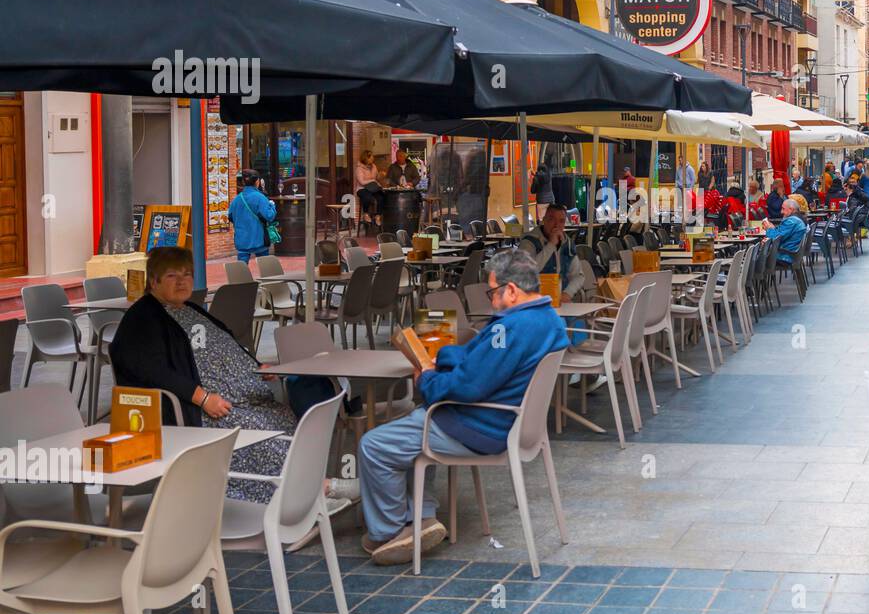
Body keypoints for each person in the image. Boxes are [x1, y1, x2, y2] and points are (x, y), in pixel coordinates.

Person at [357, 248, 569, 566]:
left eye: (494, 292)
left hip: (478, 425)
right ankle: (421, 517)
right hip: (512, 424)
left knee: (374, 445)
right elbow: (480, 361)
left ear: (511, 290)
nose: (492, 301)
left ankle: (388, 531)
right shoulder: (549, 319)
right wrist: (444, 359)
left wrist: (426, 380)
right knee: (412, 431)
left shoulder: (509, 329)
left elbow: (469, 386)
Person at [109, 246, 350, 506]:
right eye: (171, 276)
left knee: (282, 416)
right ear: (153, 281)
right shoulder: (143, 318)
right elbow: (152, 370)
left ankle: (305, 491)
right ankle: (309, 494)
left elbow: (226, 343)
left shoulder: (190, 308)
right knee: (256, 430)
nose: (182, 281)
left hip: (243, 395)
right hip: (199, 409)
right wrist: (202, 398)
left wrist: (258, 366)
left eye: (187, 274)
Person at [523, 203, 592, 302]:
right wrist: (551, 245)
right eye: (551, 219)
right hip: (535, 302)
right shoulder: (529, 243)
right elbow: (527, 273)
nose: (556, 225)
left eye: (561, 221)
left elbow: (578, 276)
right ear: (544, 220)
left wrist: (568, 293)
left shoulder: (567, 243)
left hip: (562, 302)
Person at [230, 168, 277, 264]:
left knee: (241, 270)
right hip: (259, 238)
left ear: (243, 182)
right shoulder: (260, 197)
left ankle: (242, 279)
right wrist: (272, 206)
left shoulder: (237, 199)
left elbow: (230, 216)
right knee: (266, 268)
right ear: (257, 182)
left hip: (242, 239)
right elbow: (269, 216)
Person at [763, 197, 807, 264]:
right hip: (792, 254)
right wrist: (773, 229)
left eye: (783, 209)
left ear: (791, 209)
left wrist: (769, 229)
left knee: (753, 261)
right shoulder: (798, 218)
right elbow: (781, 234)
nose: (781, 212)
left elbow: (775, 238)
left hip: (785, 256)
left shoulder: (792, 221)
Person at [353, 150, 383, 229]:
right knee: (367, 197)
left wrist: (380, 175)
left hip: (373, 188)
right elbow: (362, 182)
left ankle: (378, 216)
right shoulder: (359, 168)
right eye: (371, 157)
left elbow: (376, 178)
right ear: (367, 158)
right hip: (362, 188)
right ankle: (365, 214)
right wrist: (372, 180)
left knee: (381, 196)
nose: (373, 158)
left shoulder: (374, 166)